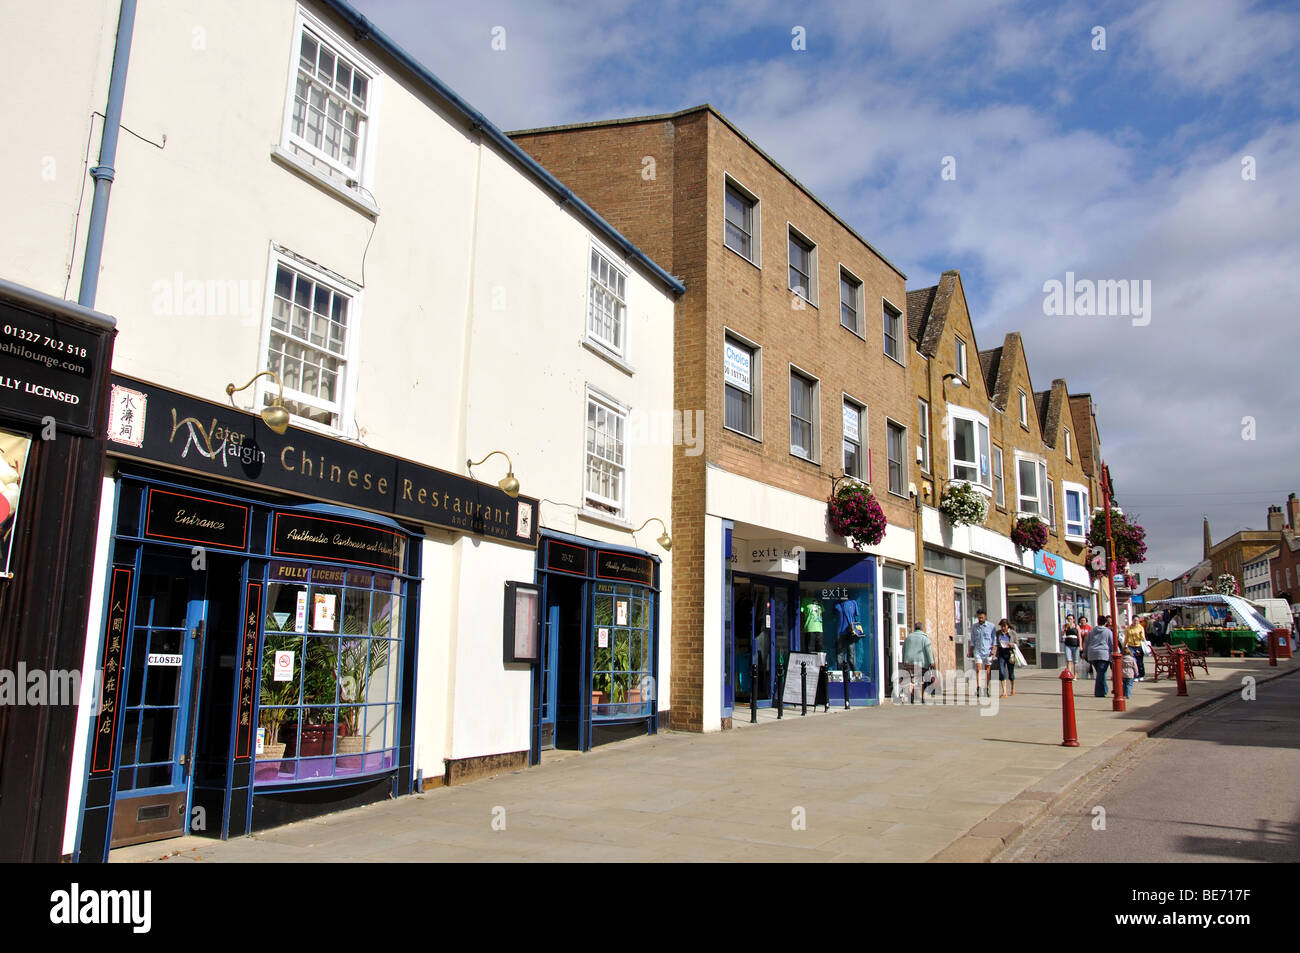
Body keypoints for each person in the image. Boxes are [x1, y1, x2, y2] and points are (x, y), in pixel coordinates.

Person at [901, 625, 935, 703]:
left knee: (910, 679)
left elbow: (904, 649)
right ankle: (921, 697)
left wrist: (903, 660)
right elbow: (928, 651)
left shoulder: (908, 638)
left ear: (914, 629)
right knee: (920, 681)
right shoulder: (925, 638)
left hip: (908, 662)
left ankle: (910, 695)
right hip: (921, 663)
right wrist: (931, 662)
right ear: (922, 629)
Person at [1084, 615, 1116, 697]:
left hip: (1092, 654)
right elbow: (1111, 643)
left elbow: (1087, 642)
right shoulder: (1108, 632)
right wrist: (1115, 652)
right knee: (1100, 674)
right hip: (1103, 654)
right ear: (1105, 622)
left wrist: (1085, 653)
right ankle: (1098, 692)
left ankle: (1104, 689)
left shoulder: (1091, 631)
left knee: (1100, 672)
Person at [968, 610, 996, 698]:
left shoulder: (991, 626)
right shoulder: (974, 627)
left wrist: (993, 650)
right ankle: (979, 687)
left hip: (988, 651)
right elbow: (972, 640)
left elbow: (994, 640)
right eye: (979, 617)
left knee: (988, 670)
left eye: (982, 617)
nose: (980, 619)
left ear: (985, 617)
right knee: (978, 668)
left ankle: (986, 688)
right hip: (978, 651)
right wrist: (970, 651)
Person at [995, 618, 1017, 697]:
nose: (1003, 628)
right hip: (1001, 653)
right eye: (1001, 626)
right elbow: (995, 642)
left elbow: (1017, 643)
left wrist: (1012, 644)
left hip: (1010, 653)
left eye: (1004, 626)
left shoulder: (1012, 633)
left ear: (1008, 626)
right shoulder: (998, 633)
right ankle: (1004, 691)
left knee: (1011, 672)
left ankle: (1013, 689)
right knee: (1002, 671)